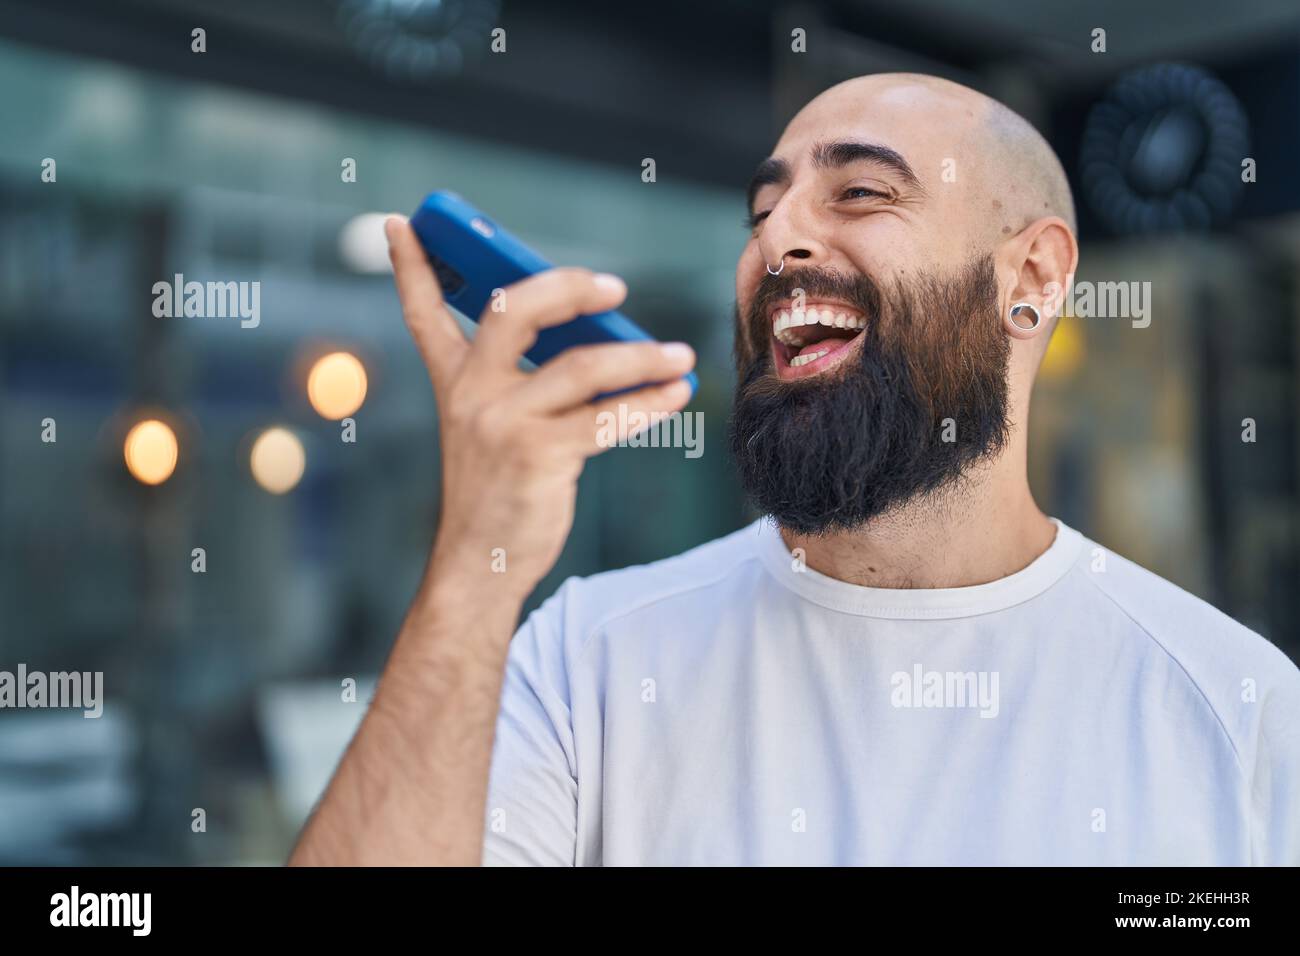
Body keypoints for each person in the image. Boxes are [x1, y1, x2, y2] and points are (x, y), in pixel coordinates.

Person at [290, 73, 1300, 866]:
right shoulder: (586, 662)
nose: (778, 240)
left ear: (1029, 278)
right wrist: (476, 561)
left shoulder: (1236, 709)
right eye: (760, 214)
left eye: (859, 191)